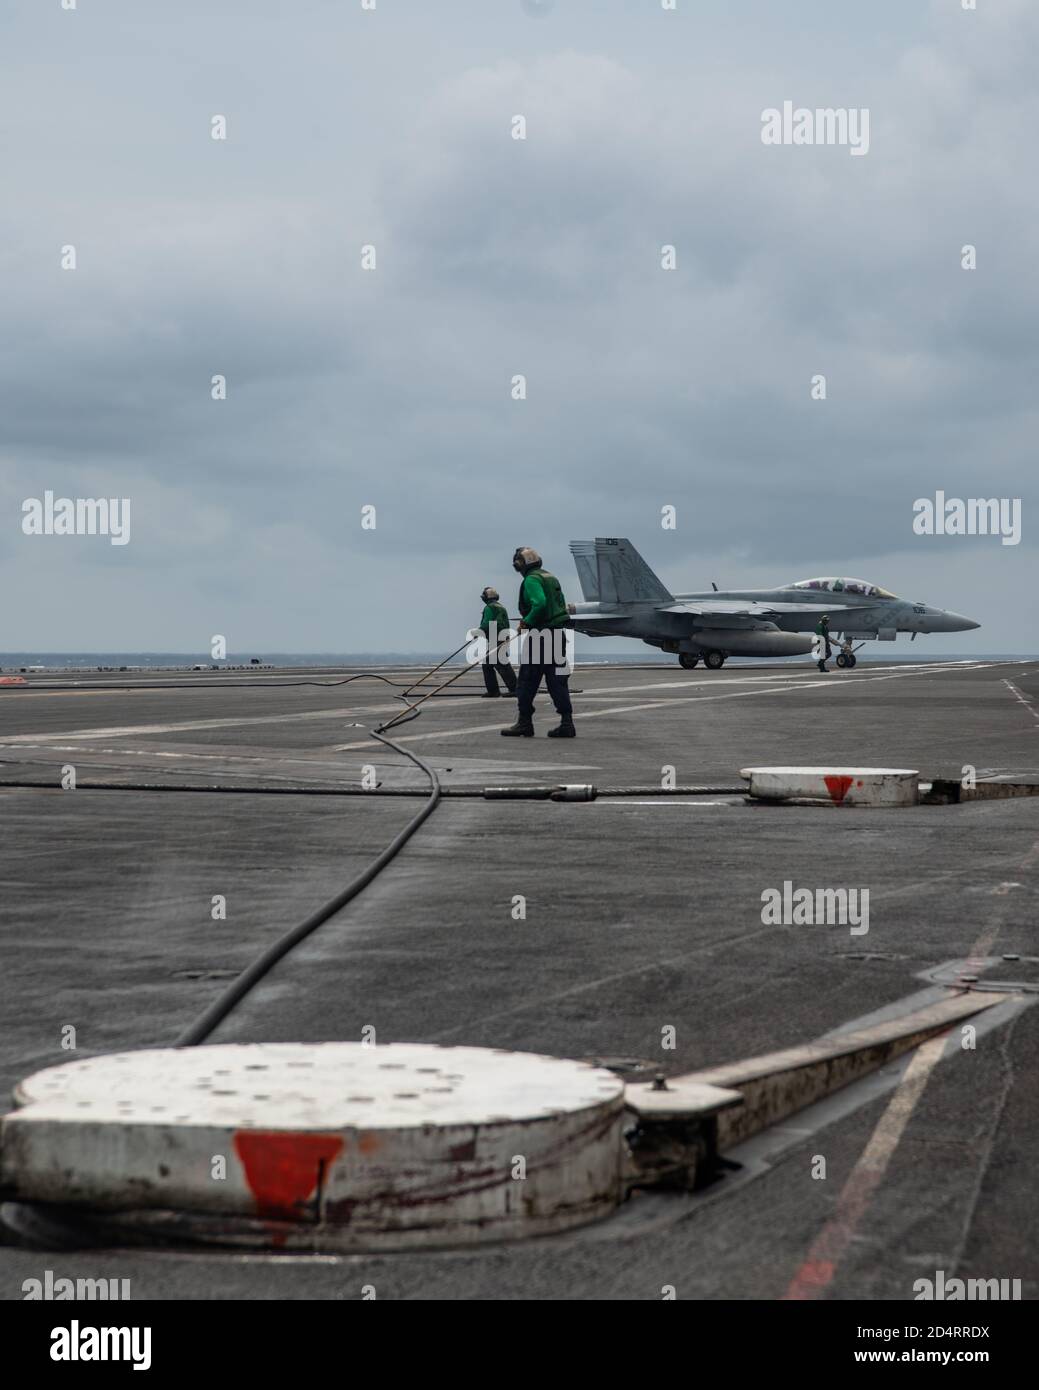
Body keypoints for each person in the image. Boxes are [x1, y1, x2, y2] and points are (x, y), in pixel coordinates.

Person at [501, 546, 575, 738]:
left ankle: (525, 723)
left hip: (540, 637)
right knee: (558, 681)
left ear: (519, 565)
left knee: (526, 681)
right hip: (558, 636)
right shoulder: (550, 577)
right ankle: (567, 723)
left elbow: (540, 603)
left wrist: (527, 622)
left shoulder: (532, 579)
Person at [478, 586, 516, 697]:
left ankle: (513, 689)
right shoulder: (501, 607)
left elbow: (487, 623)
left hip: (496, 638)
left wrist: (479, 631)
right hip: (503, 637)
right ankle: (494, 690)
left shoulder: (489, 608)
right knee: (488, 664)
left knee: (501, 664)